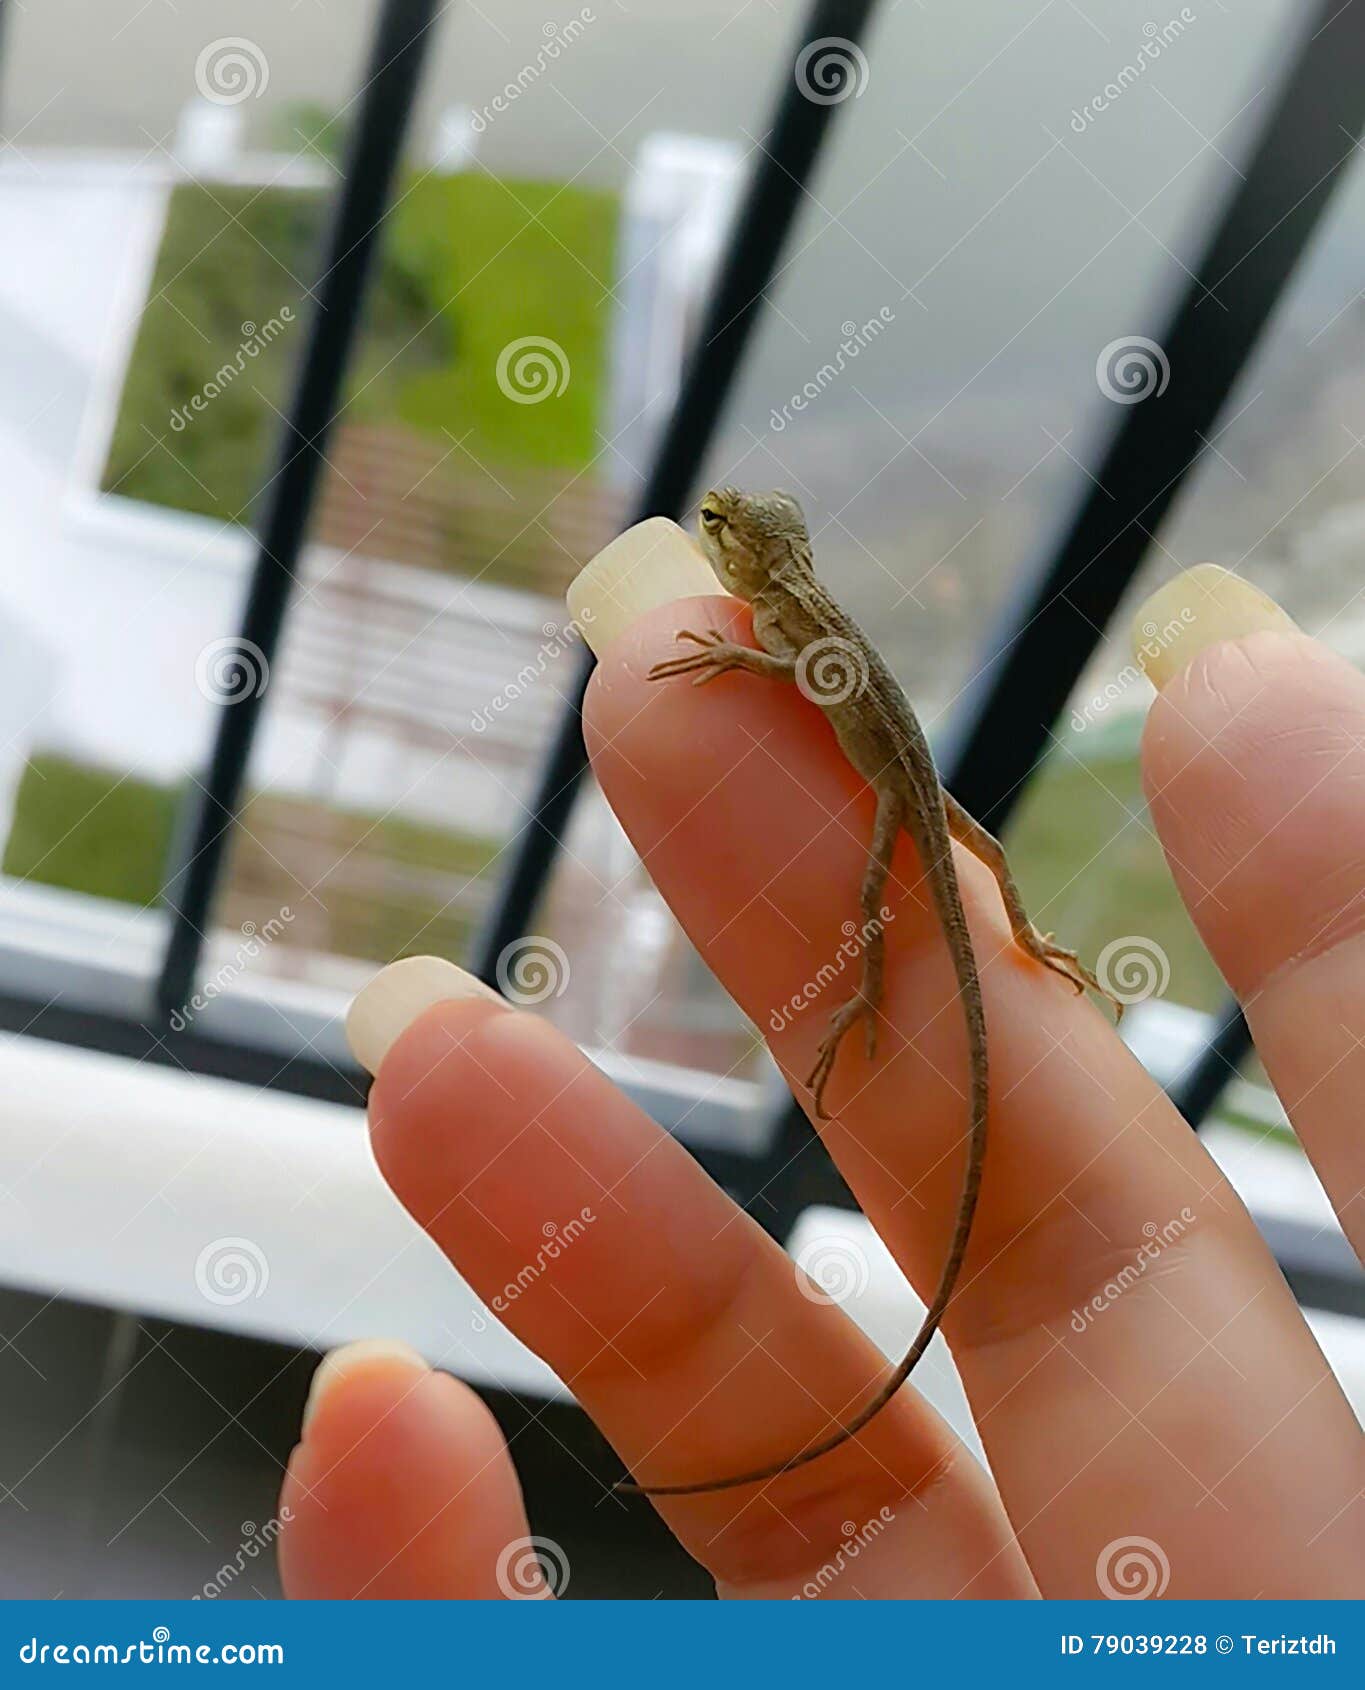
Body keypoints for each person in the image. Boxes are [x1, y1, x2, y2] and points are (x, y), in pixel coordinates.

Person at [278, 561, 1364, 1599]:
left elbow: (799, 670)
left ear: (752, 554)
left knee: (900, 903)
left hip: (897, 784)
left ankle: (883, 990)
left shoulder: (790, 615)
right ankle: (1003, 945)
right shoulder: (792, 605)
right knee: (956, 867)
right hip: (903, 779)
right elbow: (806, 667)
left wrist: (731, 663)